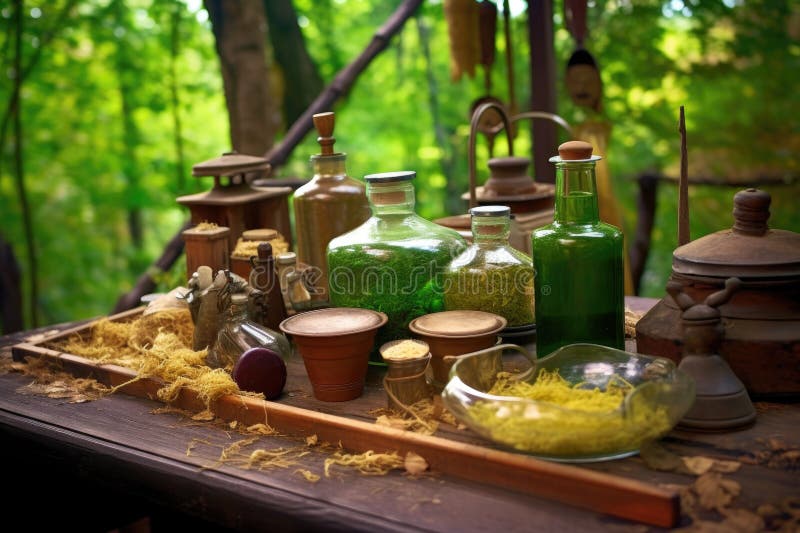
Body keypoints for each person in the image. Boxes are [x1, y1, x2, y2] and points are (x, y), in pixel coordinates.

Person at [566, 48, 634, 295]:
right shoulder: (566, 122)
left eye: (588, 81)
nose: (582, 87)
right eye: (575, 81)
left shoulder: (601, 127)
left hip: (606, 205)